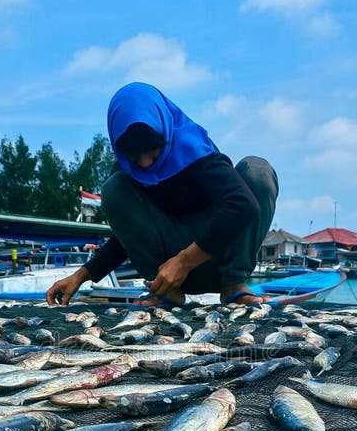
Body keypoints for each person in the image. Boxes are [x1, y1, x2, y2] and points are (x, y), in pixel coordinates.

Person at [46, 82, 279, 308]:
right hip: (166, 276)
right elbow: (129, 237)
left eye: (152, 153)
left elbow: (242, 204)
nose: (146, 164)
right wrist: (80, 276)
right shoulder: (126, 174)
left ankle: (234, 285)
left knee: (258, 171)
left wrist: (184, 261)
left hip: (217, 261)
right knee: (113, 187)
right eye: (136, 158)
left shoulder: (197, 154)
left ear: (163, 132)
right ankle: (168, 293)